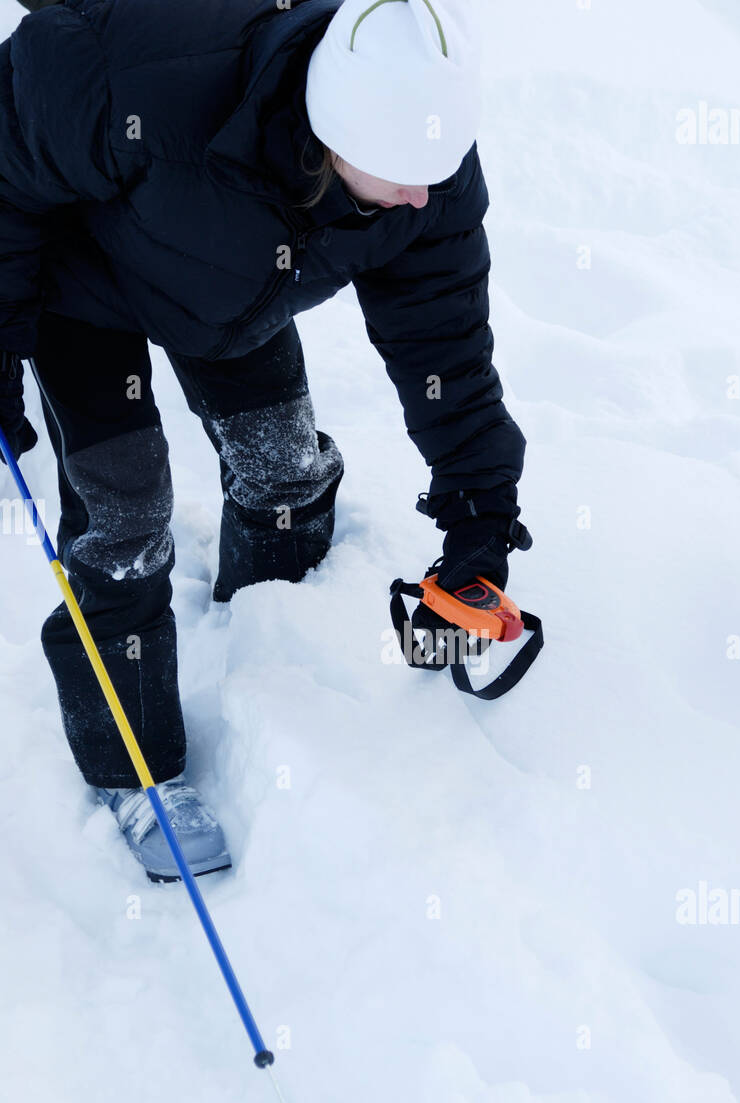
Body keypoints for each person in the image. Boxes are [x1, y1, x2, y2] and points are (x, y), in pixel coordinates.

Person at [0, 0, 531, 881]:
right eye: (401, 175)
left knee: (286, 473)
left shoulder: (419, 164)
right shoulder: (130, 76)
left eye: (435, 169)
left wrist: (479, 509)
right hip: (80, 286)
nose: (422, 197)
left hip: (230, 292)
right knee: (125, 525)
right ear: (333, 129)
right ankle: (137, 773)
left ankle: (275, 631)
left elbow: (447, 345)